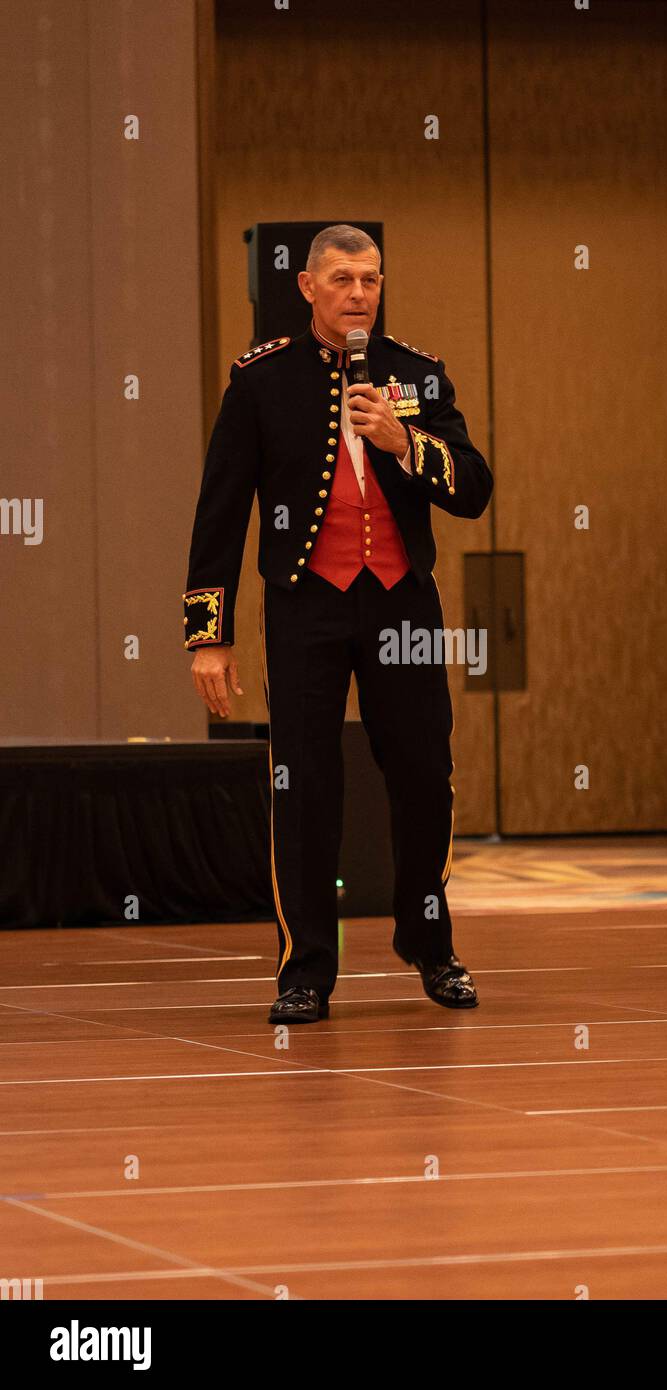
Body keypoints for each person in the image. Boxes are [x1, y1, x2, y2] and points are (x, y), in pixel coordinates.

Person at [183, 224, 493, 1023]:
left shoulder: (418, 376)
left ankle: (430, 945)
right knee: (306, 784)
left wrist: (403, 440)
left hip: (400, 601)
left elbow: (473, 487)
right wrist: (207, 635)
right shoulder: (262, 380)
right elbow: (219, 513)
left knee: (425, 775)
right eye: (345, 279)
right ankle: (307, 969)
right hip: (306, 601)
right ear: (309, 288)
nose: (360, 293)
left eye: (372, 279)